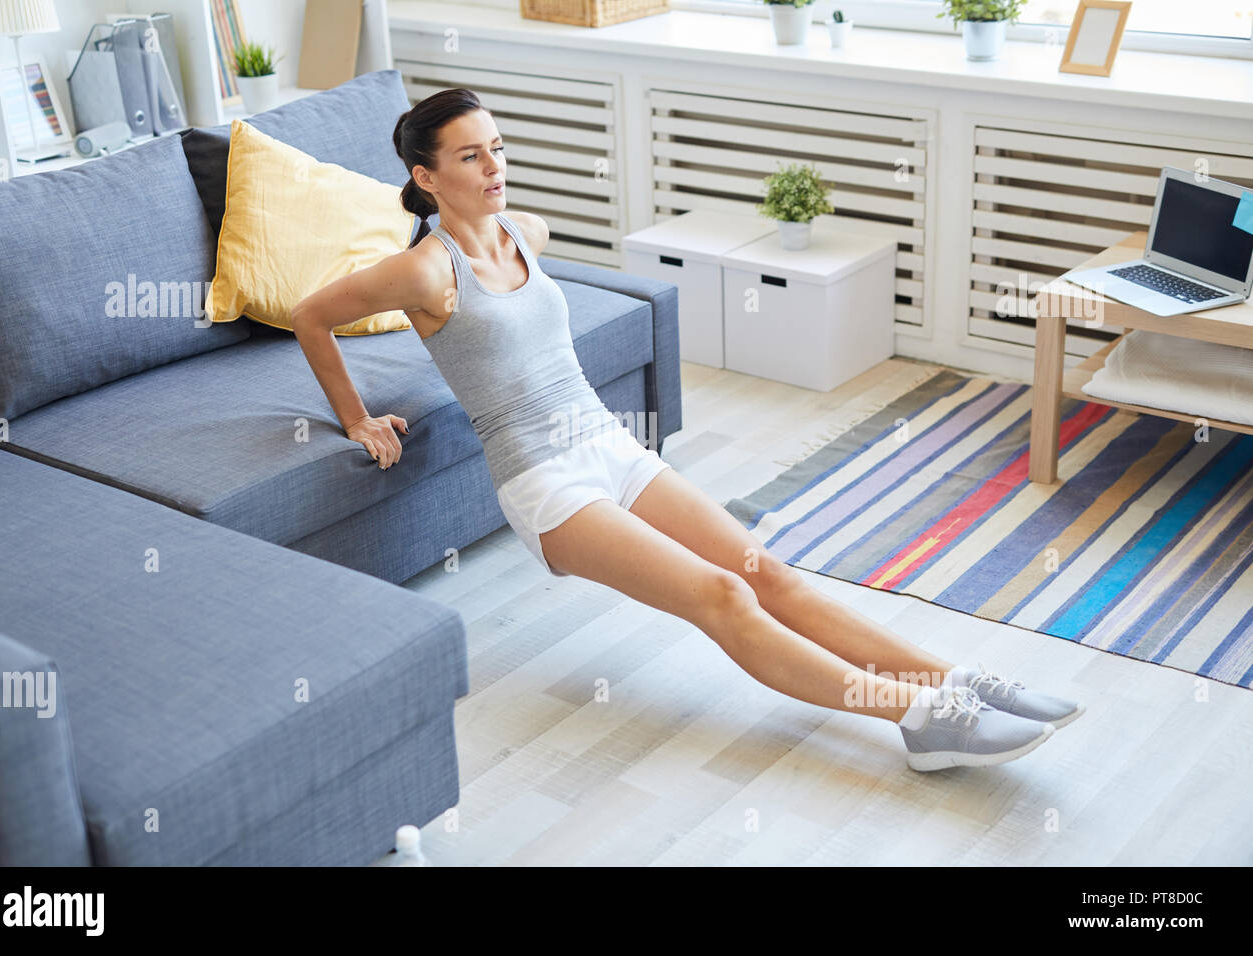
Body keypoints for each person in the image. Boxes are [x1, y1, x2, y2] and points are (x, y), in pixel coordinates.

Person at [290, 89, 1085, 771]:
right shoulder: (426, 271)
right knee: (722, 594)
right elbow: (311, 315)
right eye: (469, 158)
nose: (494, 167)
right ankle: (919, 719)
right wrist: (356, 418)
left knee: (766, 571)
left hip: (607, 446)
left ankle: (958, 682)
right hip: (546, 483)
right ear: (426, 178)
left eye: (497, 149)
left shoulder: (523, 229)